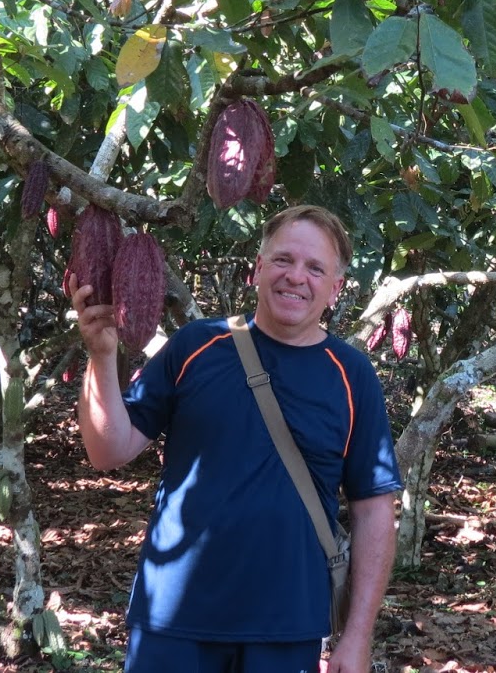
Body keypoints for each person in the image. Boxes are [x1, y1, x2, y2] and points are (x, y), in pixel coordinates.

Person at [70, 205, 402, 673]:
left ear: (335, 289)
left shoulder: (352, 375)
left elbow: (374, 512)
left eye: (315, 268)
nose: (296, 277)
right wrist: (102, 356)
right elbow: (107, 451)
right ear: (258, 268)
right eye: (283, 259)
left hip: (286, 626)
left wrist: (358, 637)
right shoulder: (195, 345)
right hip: (174, 616)